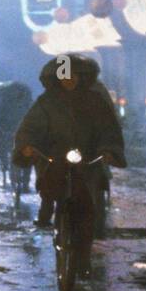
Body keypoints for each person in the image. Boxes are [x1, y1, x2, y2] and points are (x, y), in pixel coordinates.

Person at [13, 53, 125, 229]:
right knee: (49, 186)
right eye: (64, 77)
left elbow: (108, 128)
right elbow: (30, 128)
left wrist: (109, 150)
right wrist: (27, 146)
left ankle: (96, 226)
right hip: (55, 156)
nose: (69, 81)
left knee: (94, 190)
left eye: (73, 76)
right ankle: (47, 211)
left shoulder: (96, 102)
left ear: (81, 77)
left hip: (89, 157)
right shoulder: (46, 102)